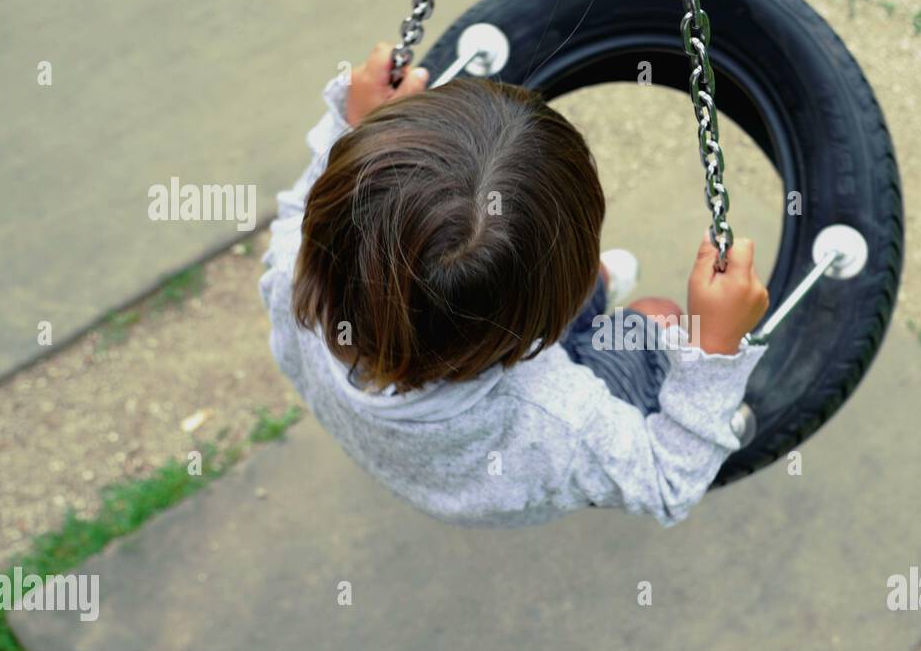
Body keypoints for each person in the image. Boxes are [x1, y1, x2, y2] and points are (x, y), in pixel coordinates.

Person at [259, 43, 768, 527]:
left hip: (453, 370)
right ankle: (604, 308)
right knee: (659, 316)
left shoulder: (292, 273)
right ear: (539, 325)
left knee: (512, 275)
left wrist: (349, 124)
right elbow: (667, 482)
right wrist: (713, 349)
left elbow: (298, 209)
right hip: (512, 422)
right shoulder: (553, 421)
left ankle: (589, 294)